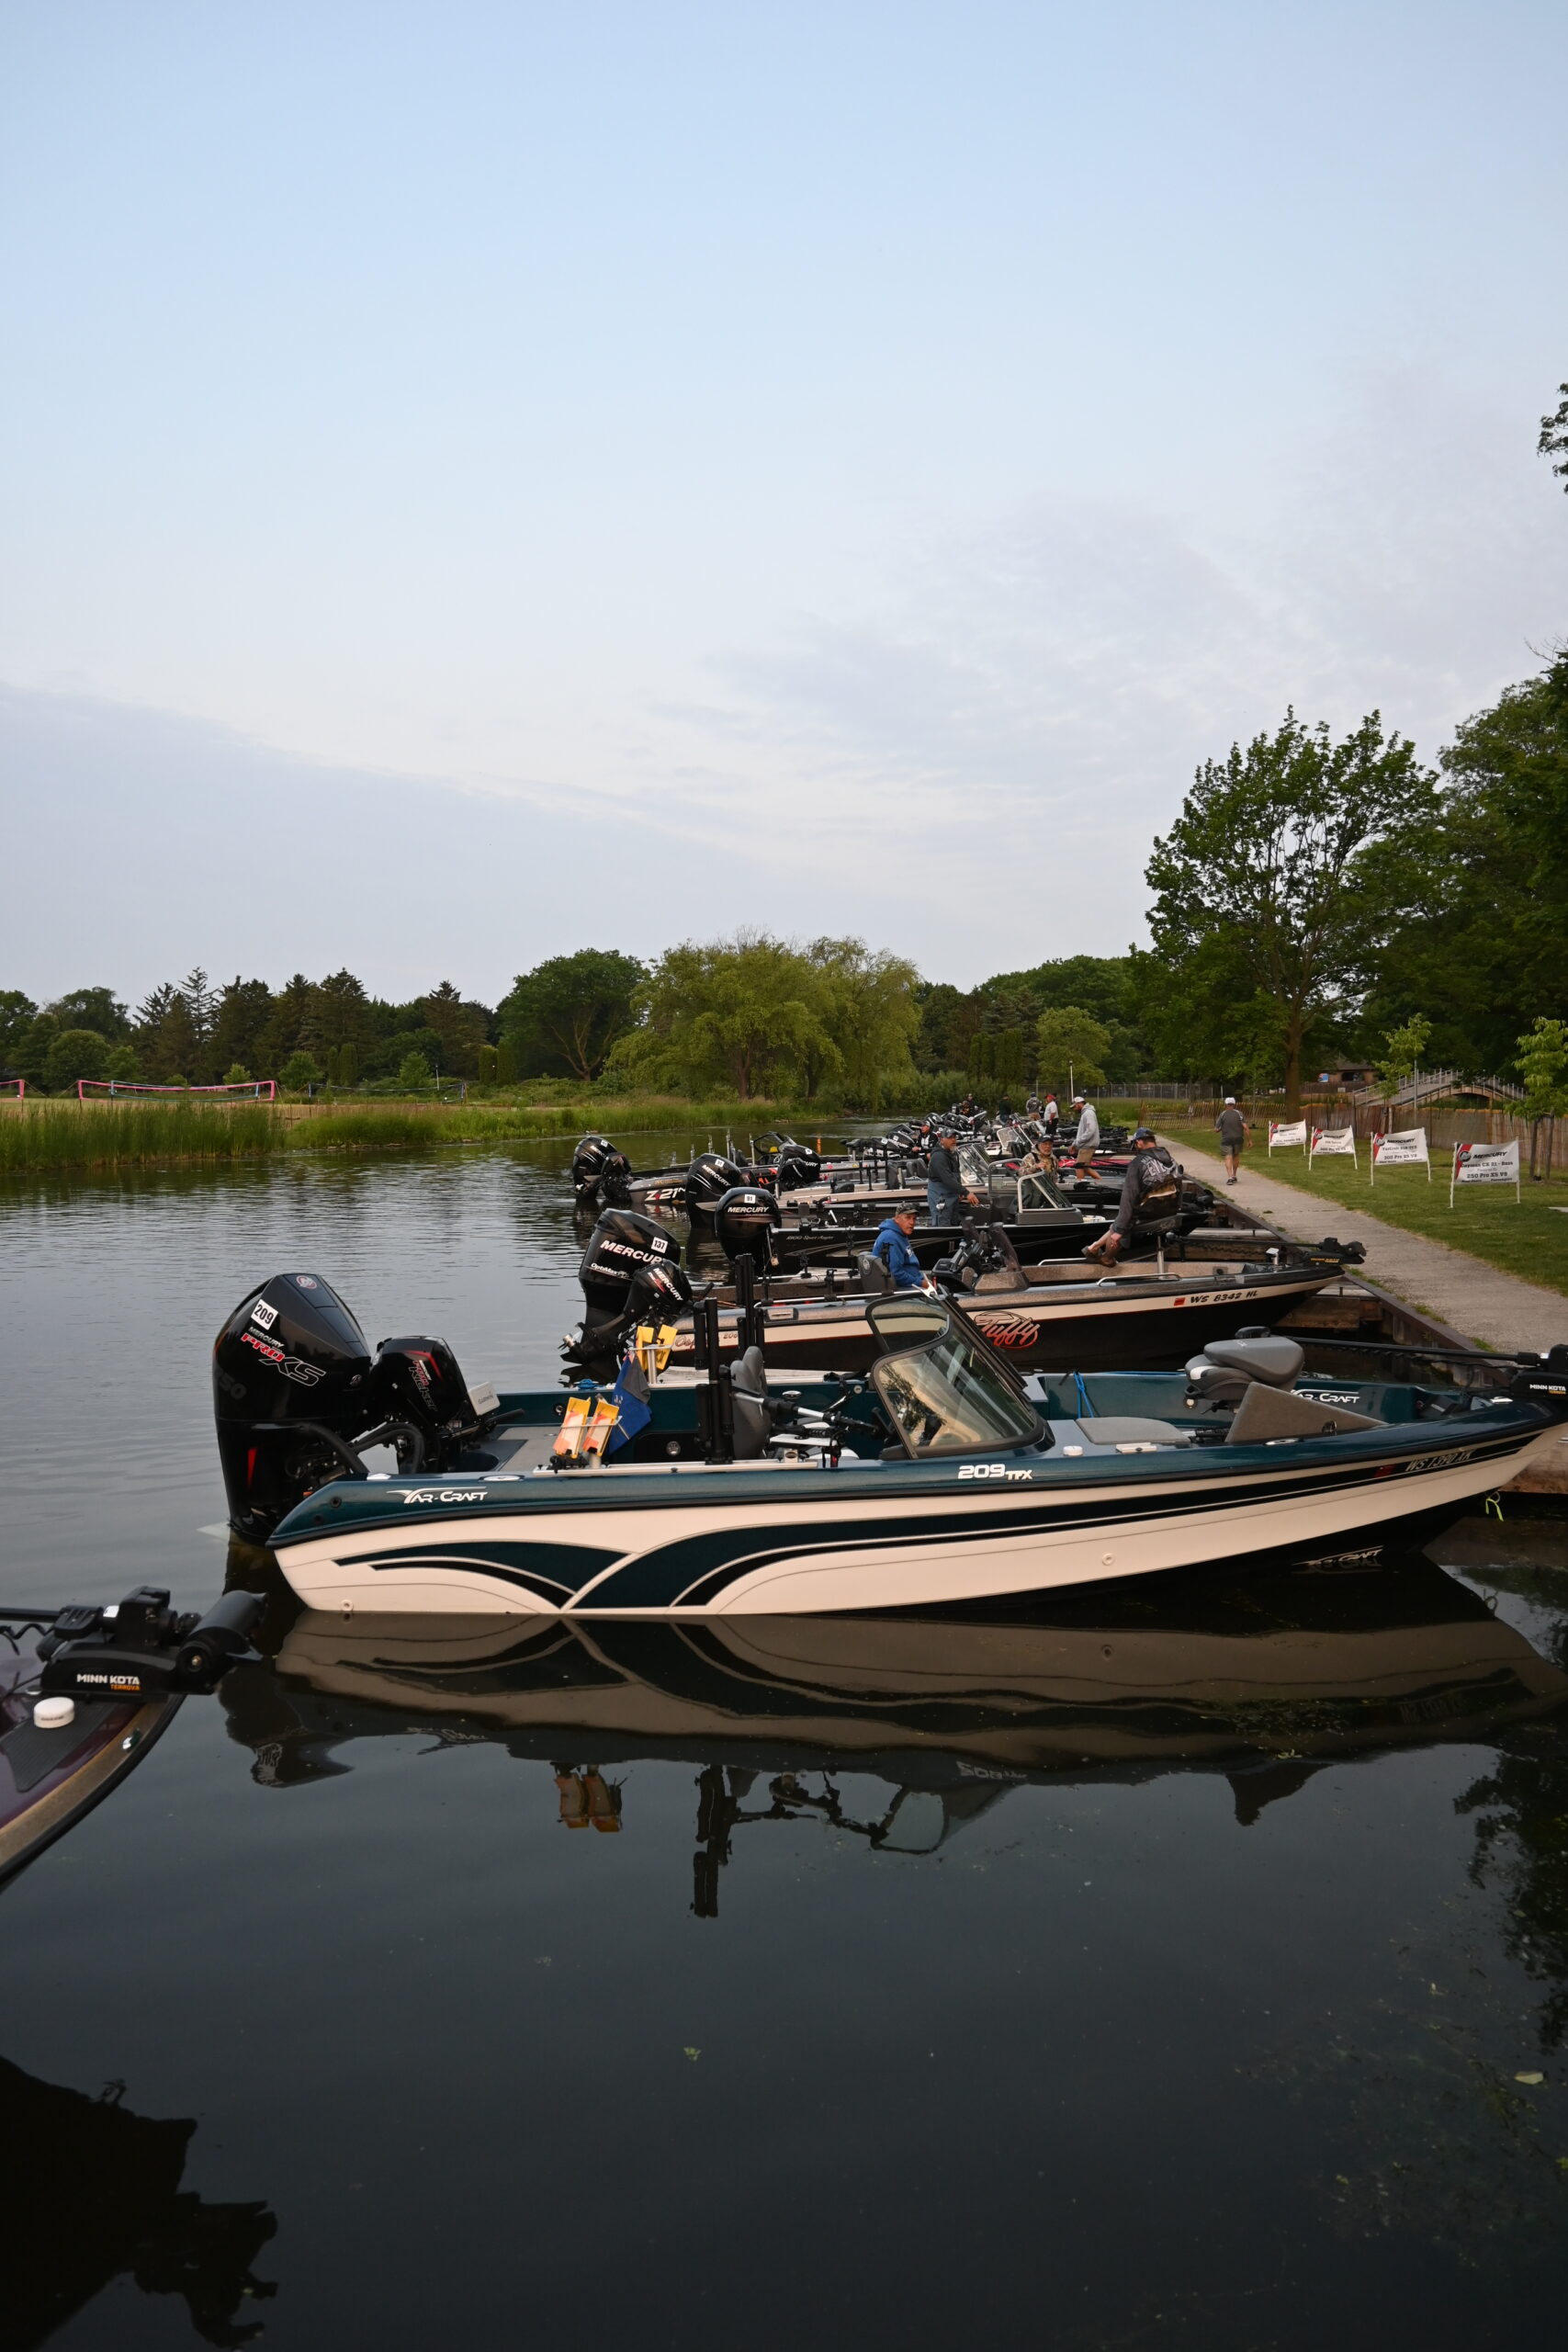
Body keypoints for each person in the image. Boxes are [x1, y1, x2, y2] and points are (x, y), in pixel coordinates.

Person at [1084, 1129, 1177, 1264]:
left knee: (1123, 1222)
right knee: (1124, 1219)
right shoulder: (1171, 1160)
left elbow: (1128, 1198)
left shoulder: (1137, 1163)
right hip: (1170, 1210)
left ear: (1139, 1142)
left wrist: (1119, 1231)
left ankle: (1107, 1258)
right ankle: (1094, 1247)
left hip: (1148, 1213)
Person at [926, 1127, 976, 1225]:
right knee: (942, 1225)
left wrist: (959, 1191)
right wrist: (966, 1192)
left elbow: (956, 1174)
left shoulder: (952, 1154)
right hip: (940, 1198)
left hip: (952, 1196)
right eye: (950, 1137)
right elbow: (947, 1178)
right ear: (942, 1139)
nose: (953, 1140)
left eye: (954, 1137)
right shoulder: (938, 1156)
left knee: (954, 1223)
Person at [870, 1203, 926, 1289]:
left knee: (942, 1288)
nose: (912, 1222)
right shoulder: (891, 1237)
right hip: (899, 1287)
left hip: (912, 1281)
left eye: (914, 1219)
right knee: (943, 1292)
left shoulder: (900, 1233)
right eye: (907, 1218)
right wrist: (921, 1283)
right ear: (897, 1219)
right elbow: (895, 1273)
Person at [1215, 1095, 1249, 1186]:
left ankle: (1230, 1177)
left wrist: (1221, 1128)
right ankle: (1234, 1175)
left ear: (1226, 1104)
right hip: (1238, 1138)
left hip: (1226, 1139)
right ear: (1234, 1104)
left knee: (1228, 1157)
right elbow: (1245, 1127)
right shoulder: (1240, 1114)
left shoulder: (1222, 1114)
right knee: (1236, 1156)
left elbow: (1216, 1129)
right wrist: (1249, 1140)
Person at [1071, 1094, 1100, 1168]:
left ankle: (1081, 1180)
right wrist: (1075, 1143)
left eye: (1075, 1106)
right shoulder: (1086, 1113)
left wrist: (1078, 1141)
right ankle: (1099, 1179)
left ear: (1079, 1104)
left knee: (1079, 1167)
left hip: (1087, 1145)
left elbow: (1090, 1130)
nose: (1074, 1109)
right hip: (1086, 1145)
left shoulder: (1088, 1113)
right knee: (1085, 1168)